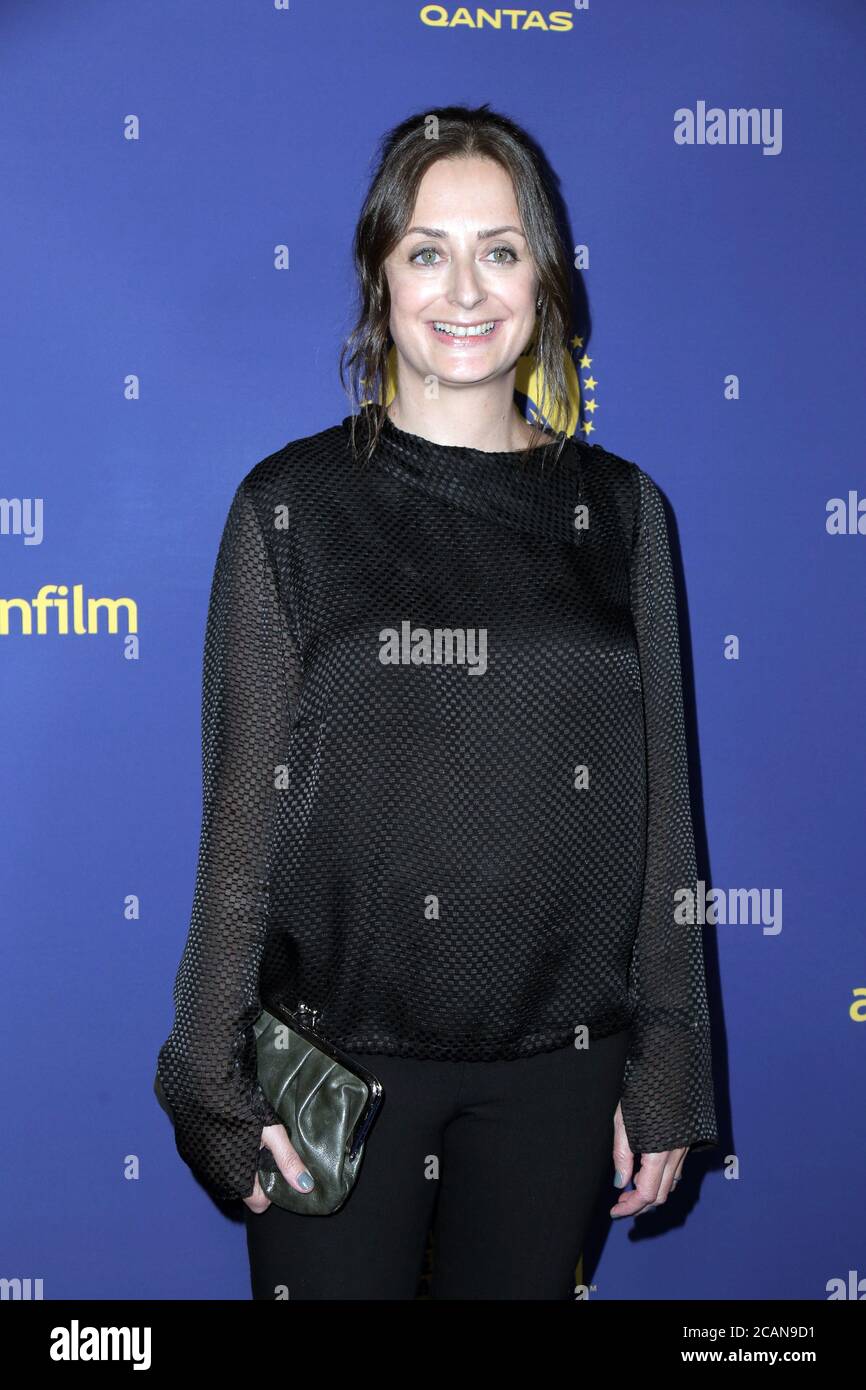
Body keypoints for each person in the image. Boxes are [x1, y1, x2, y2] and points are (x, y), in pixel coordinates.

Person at [154, 103, 719, 1301]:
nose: (464, 287)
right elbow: (240, 827)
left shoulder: (624, 514)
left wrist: (667, 1056)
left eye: (499, 248)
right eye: (426, 249)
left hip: (562, 1071)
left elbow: (668, 813)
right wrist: (206, 1070)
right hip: (334, 1070)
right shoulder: (290, 506)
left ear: (543, 281)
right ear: (379, 281)